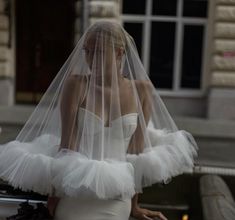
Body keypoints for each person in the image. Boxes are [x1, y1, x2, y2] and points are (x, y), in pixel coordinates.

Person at [0, 21, 198, 220]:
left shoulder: (142, 90)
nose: (91, 59)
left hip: (116, 198)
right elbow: (68, 147)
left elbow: (137, 154)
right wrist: (51, 204)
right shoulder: (76, 85)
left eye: (100, 52)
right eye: (87, 51)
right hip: (75, 194)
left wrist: (135, 207)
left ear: (120, 53)